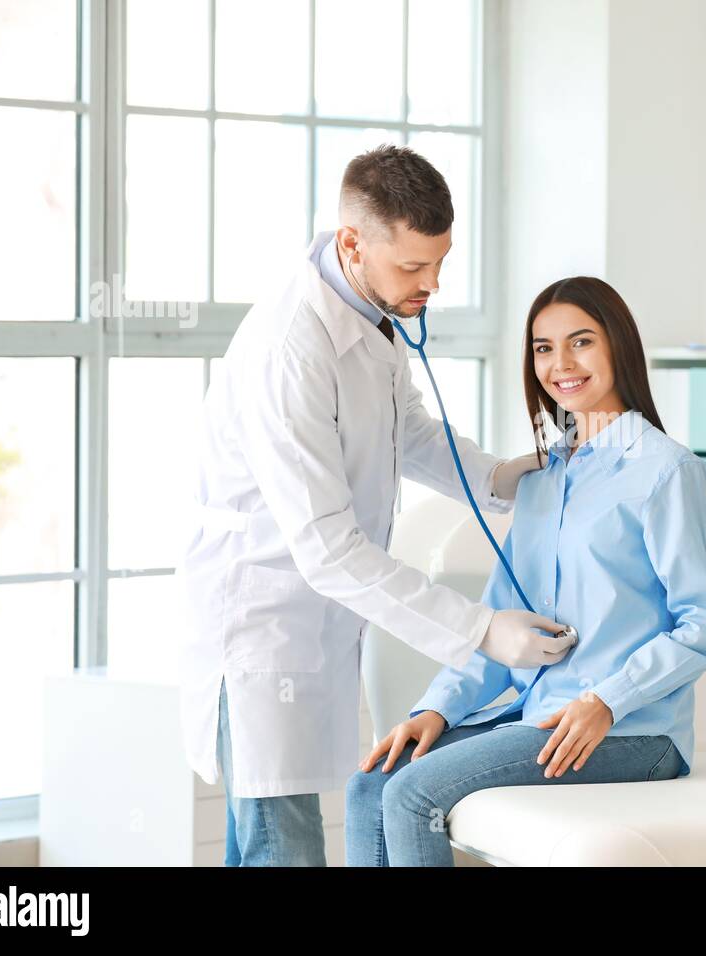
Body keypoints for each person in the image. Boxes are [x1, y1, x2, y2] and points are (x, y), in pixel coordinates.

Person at [179, 146, 576, 867]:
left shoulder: (369, 311)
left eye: (439, 264)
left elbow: (409, 432)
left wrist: (499, 478)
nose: (431, 285)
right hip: (264, 626)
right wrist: (483, 630)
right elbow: (327, 548)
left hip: (315, 621)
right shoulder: (291, 349)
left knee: (270, 845)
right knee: (281, 848)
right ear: (352, 243)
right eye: (413, 268)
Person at [345, 276, 706, 866]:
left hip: (634, 731)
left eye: (581, 342)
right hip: (540, 714)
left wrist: (607, 699)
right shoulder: (541, 479)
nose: (562, 364)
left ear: (618, 347)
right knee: (373, 783)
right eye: (543, 348)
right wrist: (437, 707)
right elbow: (502, 624)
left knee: (412, 793)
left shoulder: (666, 472)